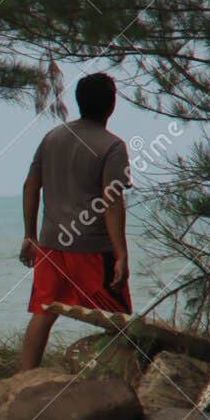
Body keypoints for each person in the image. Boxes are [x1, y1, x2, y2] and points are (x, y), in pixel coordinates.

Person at [17, 72, 133, 371]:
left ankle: (24, 380)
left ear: (79, 102)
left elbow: (31, 185)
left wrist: (30, 236)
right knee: (119, 321)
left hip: (52, 244)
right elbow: (112, 201)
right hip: (93, 248)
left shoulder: (53, 137)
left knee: (43, 312)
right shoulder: (113, 146)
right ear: (112, 105)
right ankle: (122, 382)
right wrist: (120, 253)